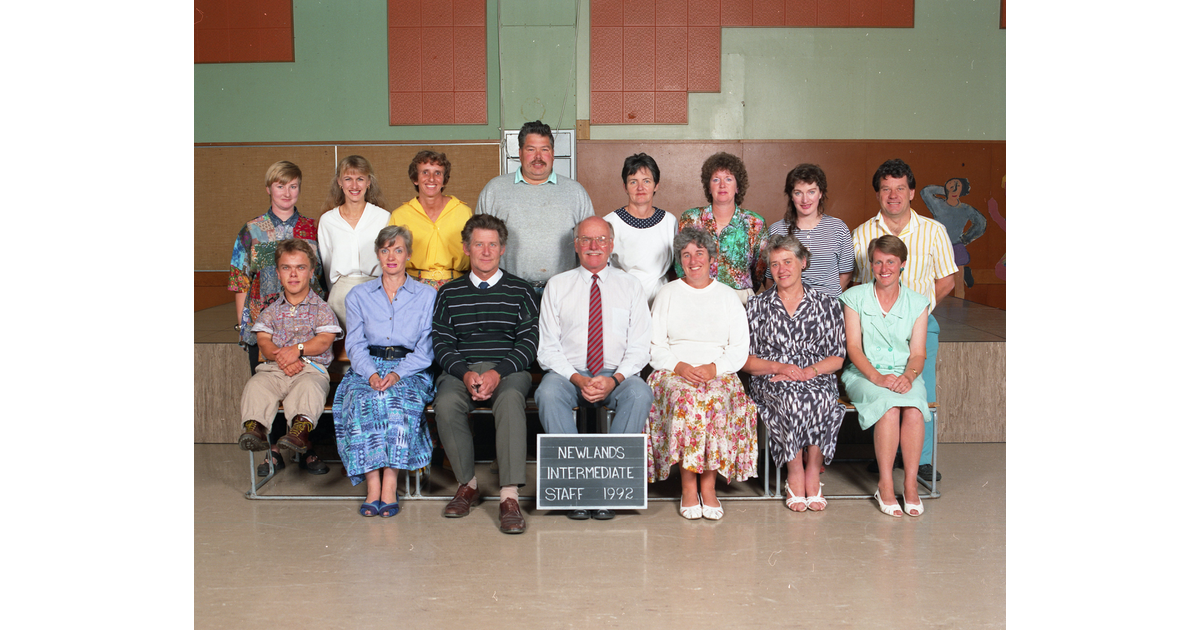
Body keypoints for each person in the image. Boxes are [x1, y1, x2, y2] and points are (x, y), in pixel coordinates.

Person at [536, 217, 653, 520]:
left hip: (616, 374)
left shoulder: (630, 286)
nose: (593, 246)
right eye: (585, 240)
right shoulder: (557, 285)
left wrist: (614, 380)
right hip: (568, 374)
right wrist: (576, 378)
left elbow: (640, 346)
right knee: (547, 392)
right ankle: (575, 487)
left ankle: (606, 487)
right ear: (575, 245)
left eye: (601, 239)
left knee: (640, 394)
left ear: (611, 245)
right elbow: (548, 347)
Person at [431, 214, 540, 534]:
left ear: (503, 249)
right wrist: (464, 374)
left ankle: (509, 496)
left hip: (508, 368)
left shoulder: (521, 290)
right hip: (461, 369)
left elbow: (529, 343)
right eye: (479, 244)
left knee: (509, 402)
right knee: (447, 403)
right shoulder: (449, 293)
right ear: (466, 248)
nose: (486, 251)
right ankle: (467, 484)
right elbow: (441, 342)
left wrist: (498, 372)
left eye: (493, 244)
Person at [850, 158, 956, 483]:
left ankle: (921, 461)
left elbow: (947, 279)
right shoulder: (862, 234)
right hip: (876, 330)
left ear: (911, 191)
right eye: (886, 189)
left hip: (920, 328)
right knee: (880, 383)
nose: (893, 195)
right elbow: (854, 283)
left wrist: (917, 314)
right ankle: (889, 454)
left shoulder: (933, 231)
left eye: (900, 188)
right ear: (878, 194)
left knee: (917, 389)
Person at [646, 227, 758, 521]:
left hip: (717, 371)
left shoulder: (727, 297)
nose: (693, 261)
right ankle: (688, 487)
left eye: (700, 254)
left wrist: (713, 369)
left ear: (712, 258)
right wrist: (681, 367)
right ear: (679, 260)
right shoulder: (667, 293)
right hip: (674, 371)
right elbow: (655, 346)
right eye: (686, 255)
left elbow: (739, 349)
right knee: (688, 401)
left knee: (715, 401)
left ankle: (708, 486)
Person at [333, 225, 437, 519]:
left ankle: (390, 483)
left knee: (395, 402)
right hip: (367, 368)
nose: (391, 256)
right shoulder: (359, 295)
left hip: (410, 371)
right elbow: (353, 343)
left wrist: (397, 374)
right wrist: (370, 374)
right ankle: (373, 485)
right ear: (378, 254)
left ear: (409, 255)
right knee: (365, 400)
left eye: (398, 249)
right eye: (385, 249)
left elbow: (426, 348)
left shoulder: (426, 295)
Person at [744, 235, 846, 512]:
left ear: (802, 262)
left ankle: (813, 469)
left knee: (822, 399)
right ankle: (794, 472)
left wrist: (808, 372)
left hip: (816, 375)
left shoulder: (827, 304)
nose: (782, 269)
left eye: (788, 261)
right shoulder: (756, 306)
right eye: (775, 264)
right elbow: (746, 360)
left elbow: (837, 357)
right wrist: (780, 369)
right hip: (770, 377)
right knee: (790, 399)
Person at [841, 235, 932, 518]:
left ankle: (910, 485)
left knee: (915, 409)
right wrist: (877, 377)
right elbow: (853, 347)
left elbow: (918, 353)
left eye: (890, 262)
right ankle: (886, 484)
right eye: (878, 262)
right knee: (890, 409)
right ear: (871, 264)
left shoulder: (918, 303)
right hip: (864, 374)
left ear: (902, 264)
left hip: (905, 373)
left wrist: (909, 376)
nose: (884, 268)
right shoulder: (854, 298)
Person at [236, 239, 342, 477]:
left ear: (311, 272)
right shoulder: (271, 310)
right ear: (278, 273)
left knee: (309, 387)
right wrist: (282, 357)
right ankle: (256, 429)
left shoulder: (321, 308)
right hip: (275, 369)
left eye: (300, 268)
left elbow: (324, 340)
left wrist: (298, 350)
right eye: (286, 268)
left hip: (310, 369)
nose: (293, 274)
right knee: (257, 385)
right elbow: (263, 340)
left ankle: (299, 432)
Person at [476, 120, 594, 292]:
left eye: (544, 149)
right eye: (531, 149)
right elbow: (478, 243)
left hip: (563, 291)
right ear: (520, 153)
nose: (538, 157)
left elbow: (590, 244)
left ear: (553, 153)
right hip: (508, 291)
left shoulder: (575, 192)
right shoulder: (495, 190)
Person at [229, 161, 324, 373]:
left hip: (308, 327)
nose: (287, 193)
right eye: (280, 186)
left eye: (293, 186)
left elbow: (323, 278)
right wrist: (244, 326)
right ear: (268, 189)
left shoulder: (314, 229)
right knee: (266, 389)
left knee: (306, 389)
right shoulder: (252, 230)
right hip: (263, 326)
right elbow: (240, 280)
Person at [677, 152, 767, 306]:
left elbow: (759, 272)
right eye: (716, 179)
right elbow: (680, 265)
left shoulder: (755, 223)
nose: (722, 185)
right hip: (697, 297)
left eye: (729, 179)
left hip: (740, 300)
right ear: (709, 186)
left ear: (738, 186)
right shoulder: (690, 219)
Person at [317, 155, 391, 329]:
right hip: (340, 293)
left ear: (369, 182)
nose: (354, 186)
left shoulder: (383, 217)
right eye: (348, 179)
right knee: (342, 351)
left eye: (360, 179)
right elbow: (326, 265)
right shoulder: (328, 221)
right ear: (339, 182)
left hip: (376, 290)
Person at [760, 163, 854, 298]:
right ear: (791, 196)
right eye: (798, 193)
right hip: (787, 307)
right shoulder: (776, 229)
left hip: (828, 306)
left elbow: (846, 273)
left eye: (811, 191)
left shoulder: (838, 228)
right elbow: (769, 277)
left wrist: (822, 302)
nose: (805, 199)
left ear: (820, 193)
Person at [388, 150, 473, 290]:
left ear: (444, 179)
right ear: (415, 178)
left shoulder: (463, 212)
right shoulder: (400, 215)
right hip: (413, 286)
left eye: (438, 173)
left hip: (457, 285)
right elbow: (391, 260)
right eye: (425, 172)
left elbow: (475, 256)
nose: (432, 178)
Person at [604, 153, 677, 305]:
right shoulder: (610, 222)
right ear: (625, 187)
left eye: (646, 181)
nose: (640, 188)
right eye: (633, 182)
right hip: (621, 300)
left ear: (656, 185)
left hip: (661, 302)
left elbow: (676, 268)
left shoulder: (670, 221)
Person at [920, 177, 987, 288]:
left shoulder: (965, 209)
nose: (954, 189)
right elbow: (925, 192)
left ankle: (964, 273)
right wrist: (946, 190)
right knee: (936, 282)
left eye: (958, 186)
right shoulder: (938, 205)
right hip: (938, 247)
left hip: (956, 246)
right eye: (951, 185)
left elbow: (981, 223)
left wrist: (966, 238)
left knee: (958, 285)